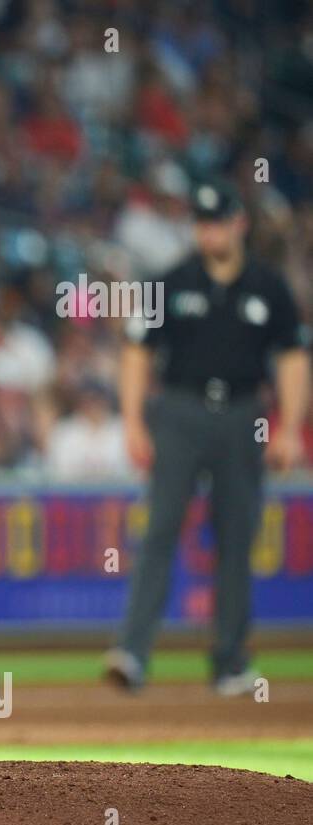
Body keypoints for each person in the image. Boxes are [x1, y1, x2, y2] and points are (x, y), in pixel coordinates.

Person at [108, 179, 311, 695]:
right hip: (179, 409)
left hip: (244, 414)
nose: (208, 231)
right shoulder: (172, 281)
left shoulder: (268, 285)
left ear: (239, 222)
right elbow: (137, 352)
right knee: (160, 530)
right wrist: (133, 421)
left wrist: (289, 426)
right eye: (200, 223)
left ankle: (230, 662)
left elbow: (291, 358)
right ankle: (132, 653)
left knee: (237, 538)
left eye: (216, 221)